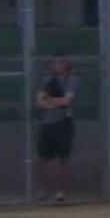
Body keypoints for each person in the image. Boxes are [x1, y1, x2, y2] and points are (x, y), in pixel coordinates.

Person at [36, 53, 77, 202]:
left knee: (63, 159)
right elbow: (40, 101)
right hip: (46, 123)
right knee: (43, 158)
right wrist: (52, 101)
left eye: (62, 63)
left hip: (64, 123)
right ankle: (42, 191)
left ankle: (62, 192)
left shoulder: (71, 80)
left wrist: (51, 100)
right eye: (56, 63)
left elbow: (67, 101)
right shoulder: (46, 80)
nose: (59, 66)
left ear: (67, 65)